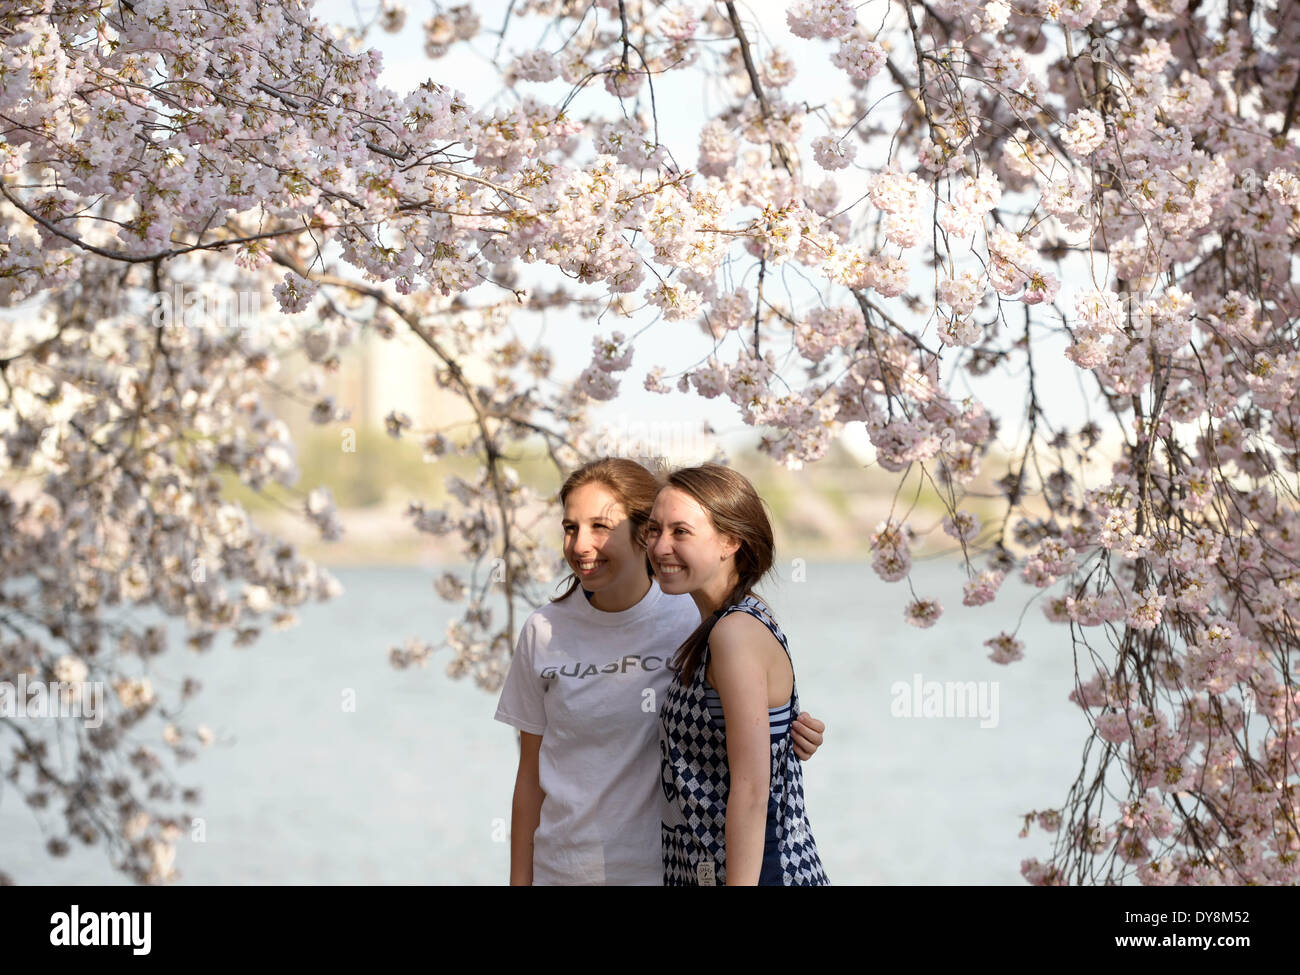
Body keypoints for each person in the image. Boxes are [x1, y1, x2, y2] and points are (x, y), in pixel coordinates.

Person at [494, 457, 827, 885]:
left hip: (677, 871)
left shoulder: (703, 620)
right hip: (575, 871)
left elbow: (750, 778)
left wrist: (792, 731)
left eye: (600, 526)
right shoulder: (544, 631)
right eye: (570, 527)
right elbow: (530, 777)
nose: (580, 545)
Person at [648, 463, 830, 886]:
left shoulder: (734, 633)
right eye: (653, 530)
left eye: (680, 532)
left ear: (731, 540)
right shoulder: (730, 622)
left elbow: (750, 793)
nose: (660, 546)